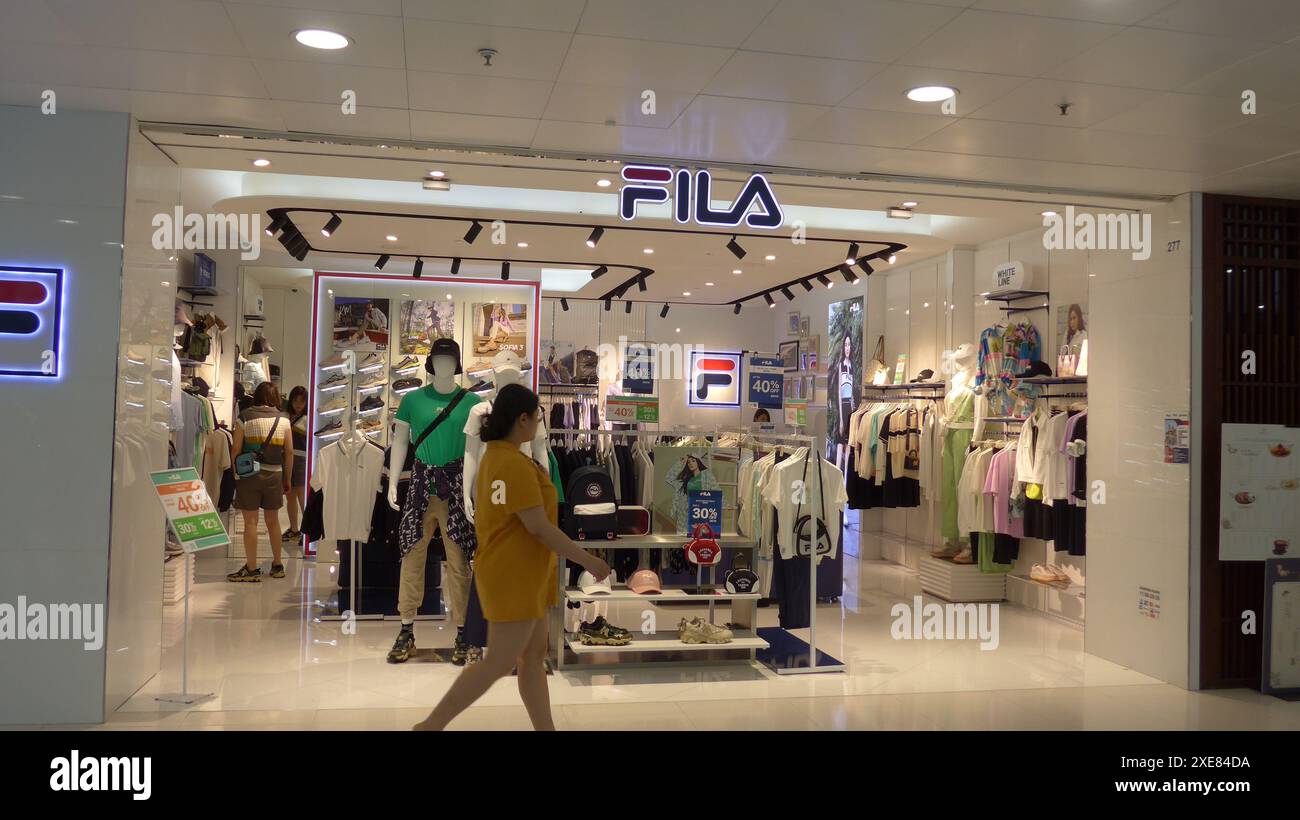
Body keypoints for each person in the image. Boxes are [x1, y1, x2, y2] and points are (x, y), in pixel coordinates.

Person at [414, 384, 610, 731]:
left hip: (523, 574)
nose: (538, 425)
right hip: (513, 576)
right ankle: (431, 725)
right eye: (536, 418)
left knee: (531, 658)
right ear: (522, 419)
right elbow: (538, 527)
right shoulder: (511, 463)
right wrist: (588, 560)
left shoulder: (499, 456)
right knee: (499, 662)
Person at [228, 382, 292, 582]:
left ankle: (253, 568)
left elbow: (236, 449)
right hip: (275, 475)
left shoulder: (245, 416)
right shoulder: (284, 419)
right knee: (273, 522)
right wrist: (287, 478)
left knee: (251, 523)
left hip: (249, 475)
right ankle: (277, 564)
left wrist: (235, 473)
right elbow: (289, 452)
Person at [282, 386, 309, 543]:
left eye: (302, 401)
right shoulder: (286, 416)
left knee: (301, 497)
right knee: (290, 496)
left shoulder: (308, 419)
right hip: (286, 459)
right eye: (295, 400)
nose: (298, 404)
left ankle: (306, 531)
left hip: (301, 460)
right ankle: (294, 529)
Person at [668, 454, 719, 533]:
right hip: (686, 512)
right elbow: (669, 478)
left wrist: (725, 504)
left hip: (702, 511)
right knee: (685, 538)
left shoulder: (706, 475)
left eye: (693, 461)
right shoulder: (686, 479)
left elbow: (715, 489)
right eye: (688, 462)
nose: (690, 463)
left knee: (702, 537)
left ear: (698, 462)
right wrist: (680, 462)